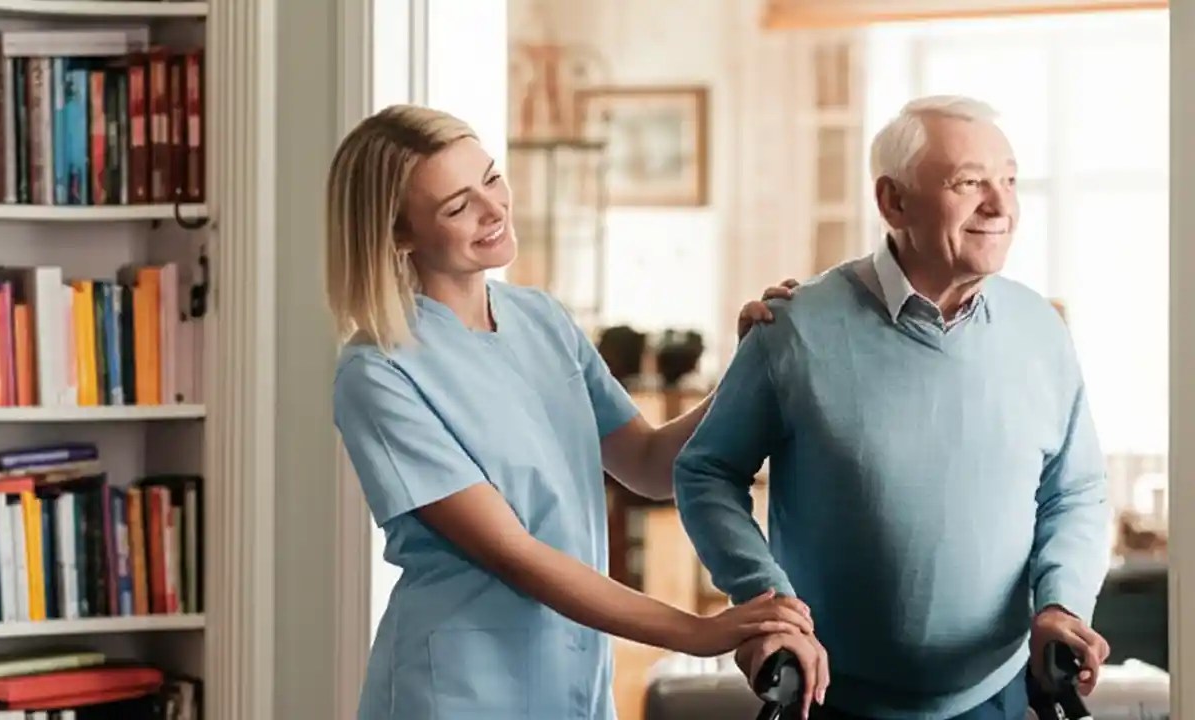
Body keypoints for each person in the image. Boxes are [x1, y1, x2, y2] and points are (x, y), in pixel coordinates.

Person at [324, 104, 812, 720]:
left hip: (574, 680)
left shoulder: (541, 319)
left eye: (491, 179)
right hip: (460, 692)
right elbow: (516, 555)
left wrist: (748, 368)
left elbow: (648, 465)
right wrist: (697, 631)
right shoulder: (378, 373)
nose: (494, 209)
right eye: (458, 206)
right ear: (399, 234)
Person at [672, 95, 1113, 720]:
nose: (1001, 205)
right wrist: (765, 600)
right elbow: (706, 472)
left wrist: (1062, 602)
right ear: (893, 201)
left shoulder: (1040, 329)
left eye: (1010, 180)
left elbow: (1077, 490)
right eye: (970, 183)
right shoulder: (792, 329)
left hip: (999, 697)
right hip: (827, 699)